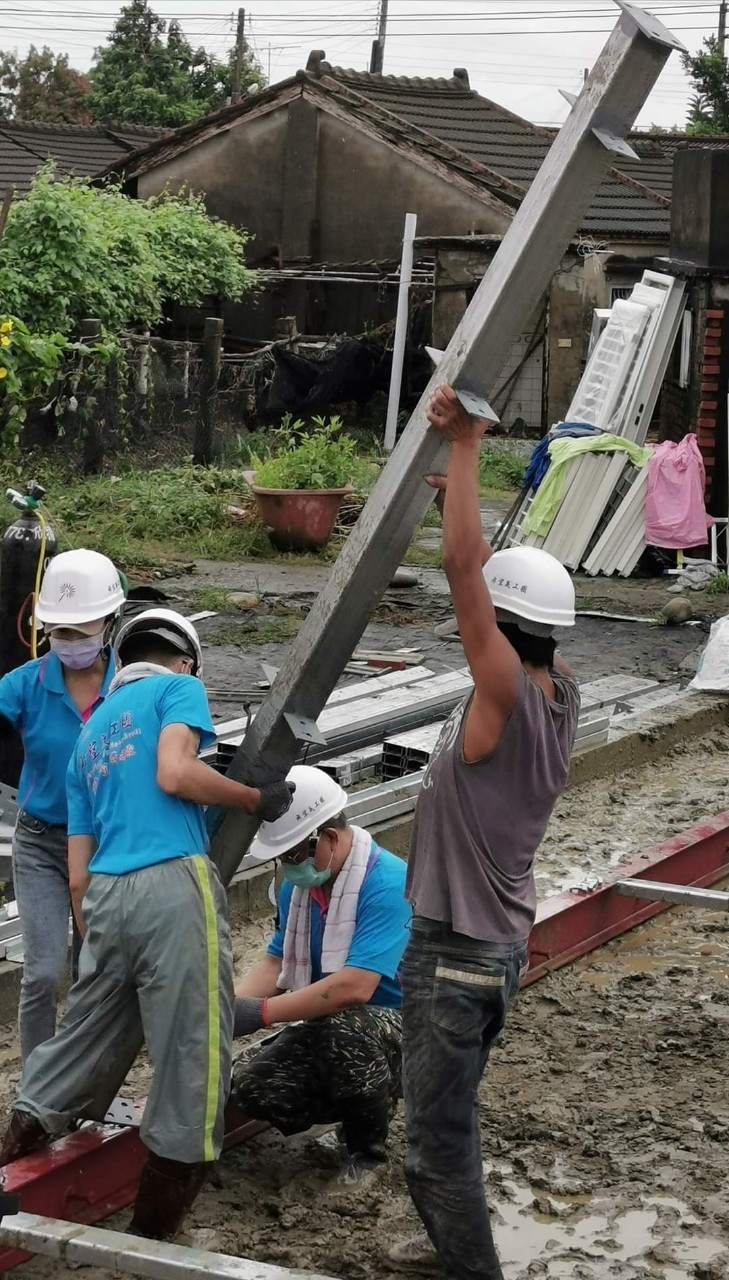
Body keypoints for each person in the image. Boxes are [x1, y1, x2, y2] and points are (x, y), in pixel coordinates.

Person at [0, 607, 295, 1242]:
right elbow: (175, 773)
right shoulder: (177, 689)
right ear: (185, 659)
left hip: (104, 896)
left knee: (87, 1032)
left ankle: (20, 1137)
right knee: (196, 1052)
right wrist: (251, 798)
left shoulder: (90, 733)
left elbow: (76, 874)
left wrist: (102, 943)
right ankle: (152, 1239)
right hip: (171, 886)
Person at [388, 385, 580, 1279]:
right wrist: (455, 499)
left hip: (454, 955)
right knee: (448, 1122)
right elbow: (491, 579)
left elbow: (467, 573)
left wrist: (464, 445)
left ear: (502, 631)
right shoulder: (560, 693)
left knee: (432, 1150)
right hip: (495, 951)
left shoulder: (500, 691)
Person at [231, 764, 411, 1183]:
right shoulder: (300, 889)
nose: (290, 866)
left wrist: (259, 1014)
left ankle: (368, 1153)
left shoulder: (387, 884)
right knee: (253, 1085)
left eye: (294, 854)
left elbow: (354, 987)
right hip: (340, 1028)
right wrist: (228, 1007)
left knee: (344, 1030)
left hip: (410, 1032)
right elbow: (277, 963)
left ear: (328, 837)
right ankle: (356, 1105)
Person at [0, 549, 124, 1062]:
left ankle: (80, 1074)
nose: (69, 642)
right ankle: (35, 1084)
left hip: (106, 843)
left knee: (94, 967)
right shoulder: (26, 685)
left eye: (81, 630)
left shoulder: (129, 688)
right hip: (40, 842)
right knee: (45, 971)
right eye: (59, 631)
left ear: (110, 623)